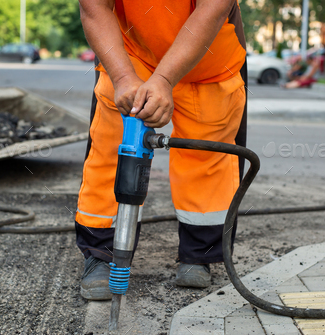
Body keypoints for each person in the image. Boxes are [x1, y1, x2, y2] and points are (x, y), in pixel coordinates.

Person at [76, 0, 248, 300]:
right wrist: (122, 78)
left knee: (206, 155)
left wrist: (165, 79)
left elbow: (213, 8)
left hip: (207, 58)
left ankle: (199, 255)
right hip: (130, 55)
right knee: (113, 146)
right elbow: (94, 8)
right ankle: (103, 253)